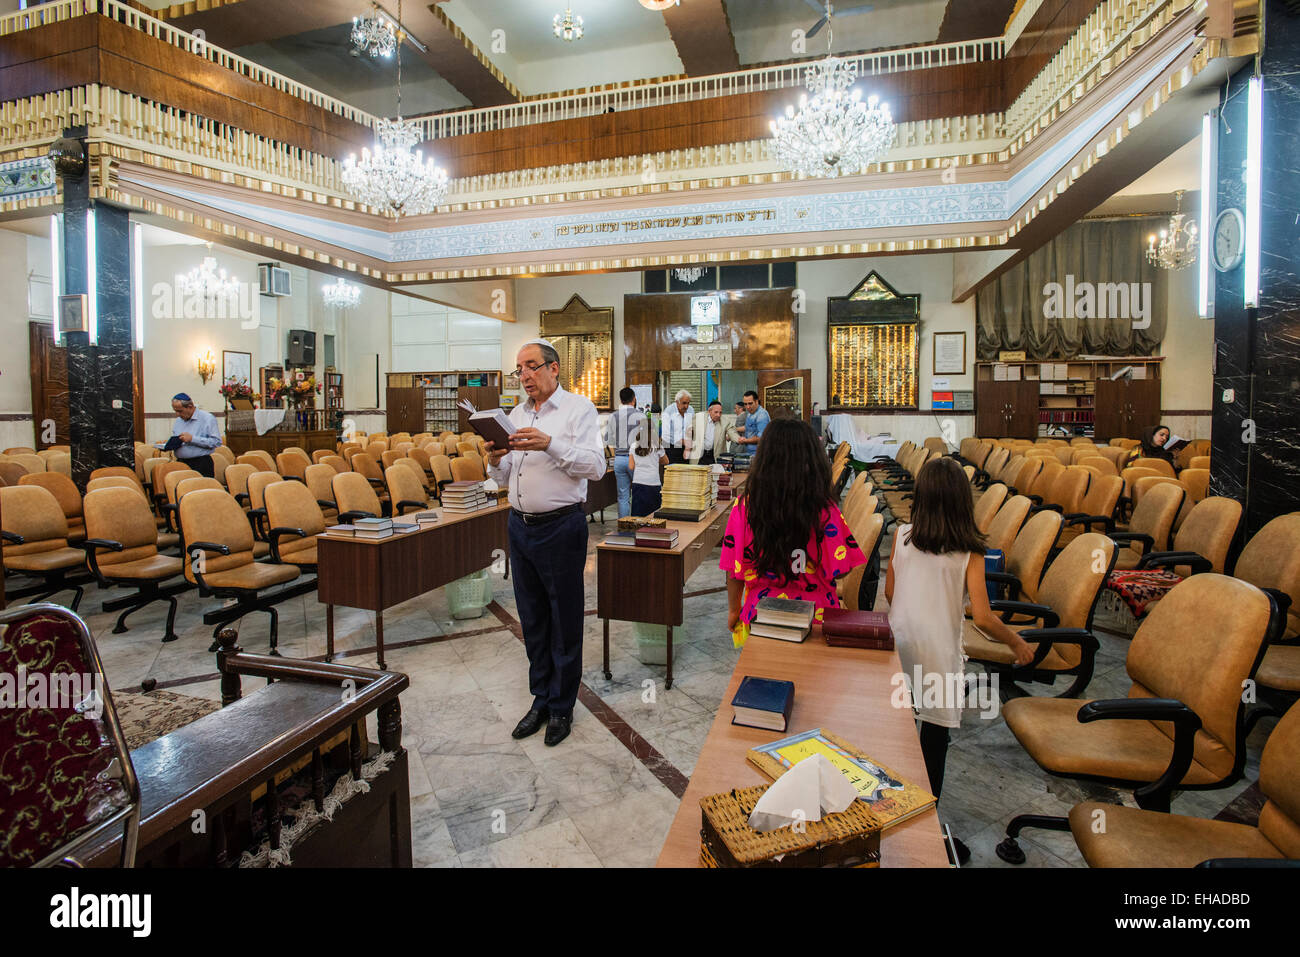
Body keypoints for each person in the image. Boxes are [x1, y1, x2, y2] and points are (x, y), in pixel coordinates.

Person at [885, 456, 1034, 864]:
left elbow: (890, 595)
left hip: (898, 648)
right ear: (961, 502)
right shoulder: (969, 552)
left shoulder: (901, 536)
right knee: (934, 742)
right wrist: (1017, 642)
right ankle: (926, 829)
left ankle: (890, 814)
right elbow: (983, 617)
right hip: (937, 656)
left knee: (898, 732)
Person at [485, 339, 606, 747]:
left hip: (561, 527)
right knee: (532, 618)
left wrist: (548, 444)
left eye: (531, 366)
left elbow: (595, 466)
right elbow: (504, 480)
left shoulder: (579, 410)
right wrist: (494, 459)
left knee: (564, 618)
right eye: (519, 369)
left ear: (554, 369)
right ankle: (540, 699)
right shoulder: (515, 414)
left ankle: (561, 707)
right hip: (519, 526)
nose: (524, 376)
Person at [722, 418, 867, 634]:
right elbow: (841, 570)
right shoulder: (825, 510)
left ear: (764, 459)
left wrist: (734, 610)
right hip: (816, 615)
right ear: (813, 459)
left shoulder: (745, 508)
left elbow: (734, 571)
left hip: (762, 614)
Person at [604, 387, 646, 518]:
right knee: (639, 493)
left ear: (621, 400)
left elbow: (609, 439)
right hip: (636, 459)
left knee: (623, 496)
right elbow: (647, 440)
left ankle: (624, 527)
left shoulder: (613, 416)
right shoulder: (641, 415)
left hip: (619, 459)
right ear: (634, 399)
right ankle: (638, 523)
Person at [162, 393, 221, 478]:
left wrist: (192, 439)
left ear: (190, 406)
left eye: (180, 411)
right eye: (175, 411)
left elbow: (216, 442)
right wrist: (169, 445)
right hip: (181, 463)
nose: (177, 414)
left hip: (200, 464)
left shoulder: (207, 418)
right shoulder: (179, 420)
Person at [629, 439, 668, 517]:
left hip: (638, 482)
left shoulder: (634, 445)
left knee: (637, 515)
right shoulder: (658, 446)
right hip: (653, 483)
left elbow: (631, 466)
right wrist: (655, 460)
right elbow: (666, 461)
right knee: (654, 516)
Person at [688, 399, 730, 466]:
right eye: (716, 412)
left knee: (713, 474)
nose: (718, 415)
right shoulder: (699, 418)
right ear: (709, 411)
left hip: (713, 455)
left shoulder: (723, 422)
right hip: (700, 455)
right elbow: (688, 429)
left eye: (720, 412)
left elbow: (730, 431)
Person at [661, 389, 694, 465]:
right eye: (684, 403)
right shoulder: (668, 411)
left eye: (688, 403)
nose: (686, 406)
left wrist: (687, 447)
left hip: (687, 448)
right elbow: (666, 435)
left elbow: (691, 428)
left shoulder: (691, 410)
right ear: (677, 402)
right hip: (672, 448)